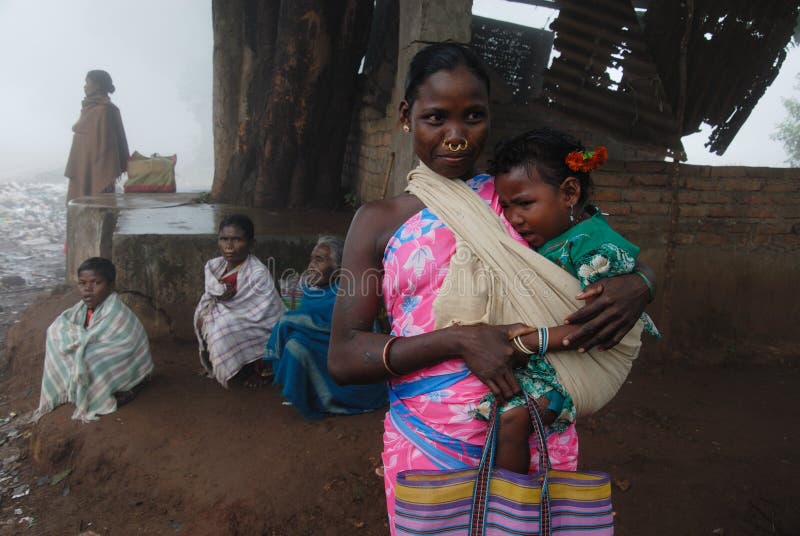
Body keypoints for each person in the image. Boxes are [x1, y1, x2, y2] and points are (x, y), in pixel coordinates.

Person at [327, 43, 655, 532]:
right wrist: (459, 340)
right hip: (427, 445)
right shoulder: (377, 221)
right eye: (436, 117)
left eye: (473, 116)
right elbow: (344, 356)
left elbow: (604, 247)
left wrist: (643, 282)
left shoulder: (515, 198)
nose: (456, 137)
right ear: (405, 116)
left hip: (537, 434)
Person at [475, 127, 661, 473]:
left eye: (525, 204)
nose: (514, 218)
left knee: (513, 419)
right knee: (501, 416)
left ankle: (509, 501)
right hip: (549, 360)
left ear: (570, 192)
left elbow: (596, 324)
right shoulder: (549, 241)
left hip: (576, 362)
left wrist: (528, 343)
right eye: (507, 206)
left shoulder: (593, 246)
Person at [265, 236, 387, 418]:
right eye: (311, 259)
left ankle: (329, 399)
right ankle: (307, 395)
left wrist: (291, 321)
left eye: (319, 260)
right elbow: (308, 328)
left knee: (294, 338)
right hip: (321, 351)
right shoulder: (311, 291)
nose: (311, 266)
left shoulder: (348, 293)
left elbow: (356, 335)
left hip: (347, 360)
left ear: (338, 269)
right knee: (295, 342)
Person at [35, 257, 153, 422]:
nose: (87, 289)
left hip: (127, 363)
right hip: (97, 350)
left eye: (96, 283)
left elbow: (121, 346)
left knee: (89, 359)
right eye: (82, 283)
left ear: (111, 286)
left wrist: (81, 344)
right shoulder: (80, 310)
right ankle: (72, 388)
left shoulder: (116, 313)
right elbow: (61, 327)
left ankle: (122, 389)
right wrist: (77, 340)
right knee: (56, 335)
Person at [194, 214, 285, 387]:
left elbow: (263, 317)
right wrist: (218, 299)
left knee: (223, 325)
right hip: (232, 318)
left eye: (237, 240)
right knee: (205, 314)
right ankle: (222, 363)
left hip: (257, 326)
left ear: (251, 243)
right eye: (224, 239)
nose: (229, 246)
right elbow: (212, 296)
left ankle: (258, 370)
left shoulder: (258, 273)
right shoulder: (215, 266)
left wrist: (221, 313)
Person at [65, 70, 129, 203]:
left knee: (98, 204)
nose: (84, 86)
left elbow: (108, 148)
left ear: (98, 85)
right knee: (80, 203)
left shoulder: (106, 110)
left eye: (87, 82)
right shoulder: (88, 108)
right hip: (81, 165)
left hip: (99, 168)